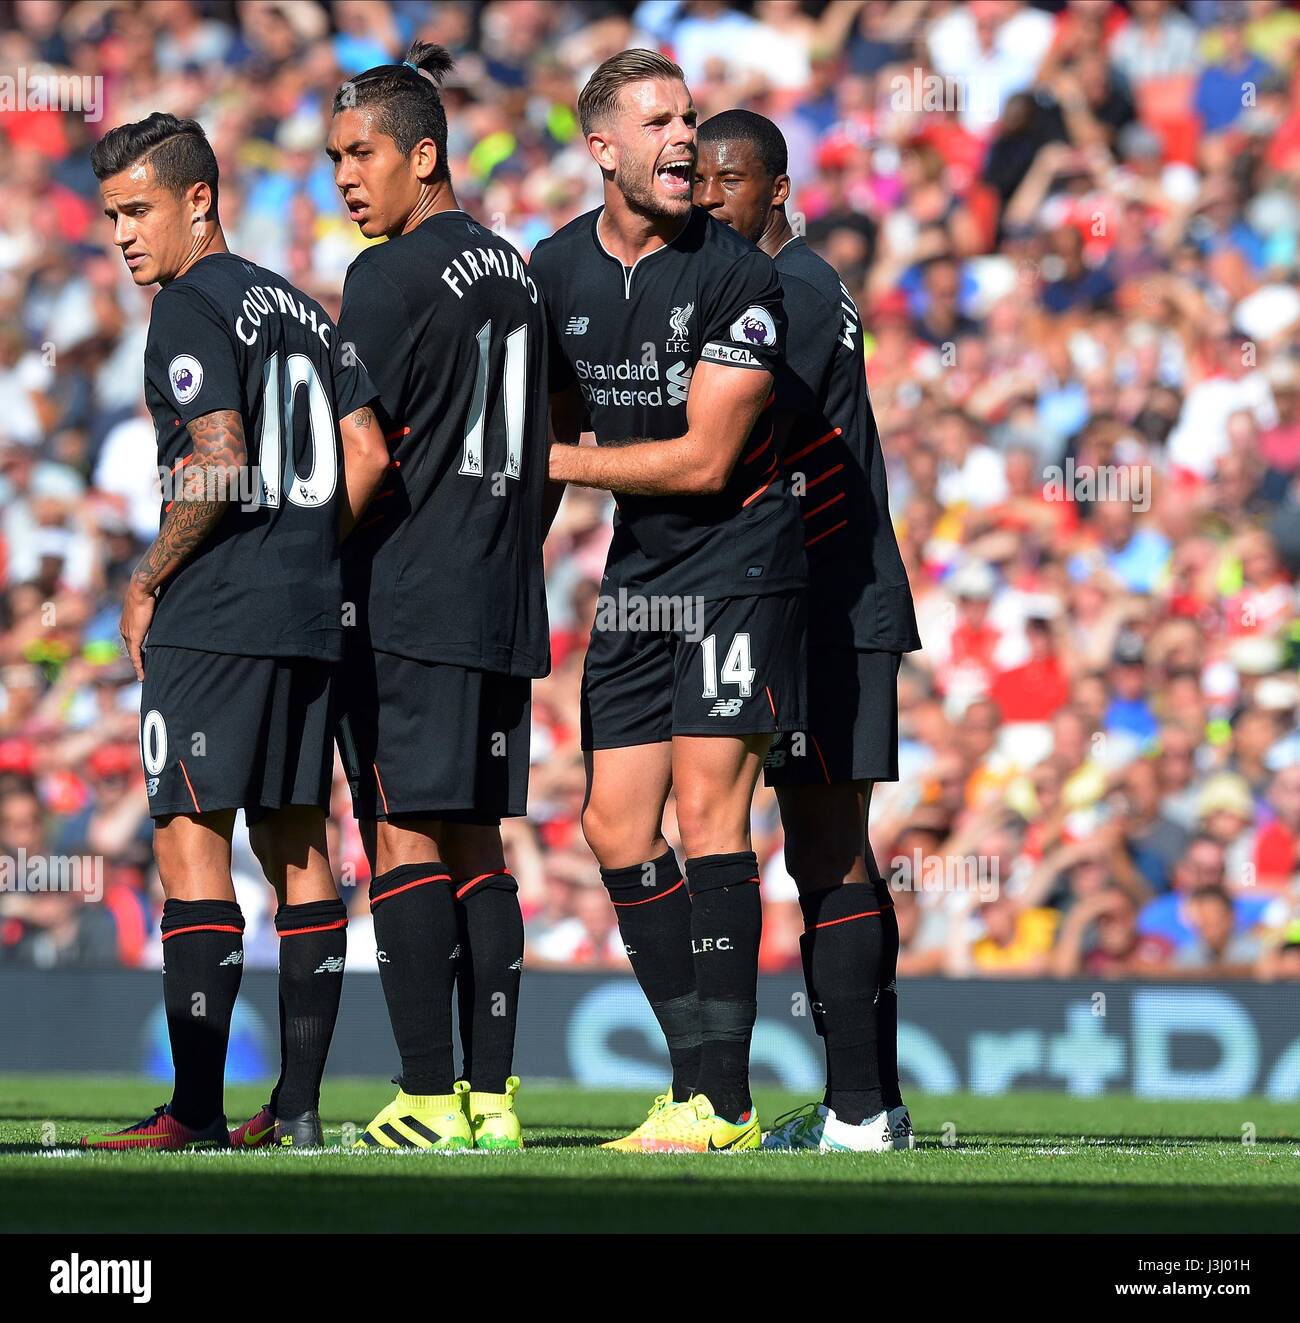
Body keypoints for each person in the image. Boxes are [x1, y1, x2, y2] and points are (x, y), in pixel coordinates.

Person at [83, 113, 387, 1150]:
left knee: (191, 840)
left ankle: (196, 1110)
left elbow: (217, 459)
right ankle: (296, 1110)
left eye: (138, 210)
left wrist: (145, 576)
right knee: (298, 845)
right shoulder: (301, 306)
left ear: (199, 200)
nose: (124, 235)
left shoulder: (188, 304)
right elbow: (367, 454)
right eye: (111, 216)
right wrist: (303, 549)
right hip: (307, 612)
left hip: (214, 615)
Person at [533, 49, 807, 1153]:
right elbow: (555, 416)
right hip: (641, 571)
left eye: (688, 117)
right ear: (602, 147)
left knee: (707, 813)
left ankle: (723, 1103)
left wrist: (548, 462)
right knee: (611, 823)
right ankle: (694, 1086)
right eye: (659, 121)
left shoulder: (739, 276)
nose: (685, 136)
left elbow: (702, 462)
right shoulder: (555, 268)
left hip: (741, 564)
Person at [326, 42, 550, 1151]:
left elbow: (359, 453)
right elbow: (546, 448)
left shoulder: (386, 276)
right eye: (333, 158)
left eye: (362, 154)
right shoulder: (518, 271)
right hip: (501, 597)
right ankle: (492, 1102)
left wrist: (301, 559)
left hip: (407, 598)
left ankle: (424, 1096)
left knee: (402, 837)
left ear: (424, 155)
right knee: (478, 847)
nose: (345, 178)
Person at [695, 109, 921, 1153]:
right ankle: (868, 1102)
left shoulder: (788, 289)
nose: (709, 198)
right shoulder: (802, 283)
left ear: (776, 188)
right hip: (828, 598)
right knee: (833, 851)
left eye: (729, 180)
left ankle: (860, 1113)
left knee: (825, 851)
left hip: (828, 601)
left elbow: (741, 432)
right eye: (698, 180)